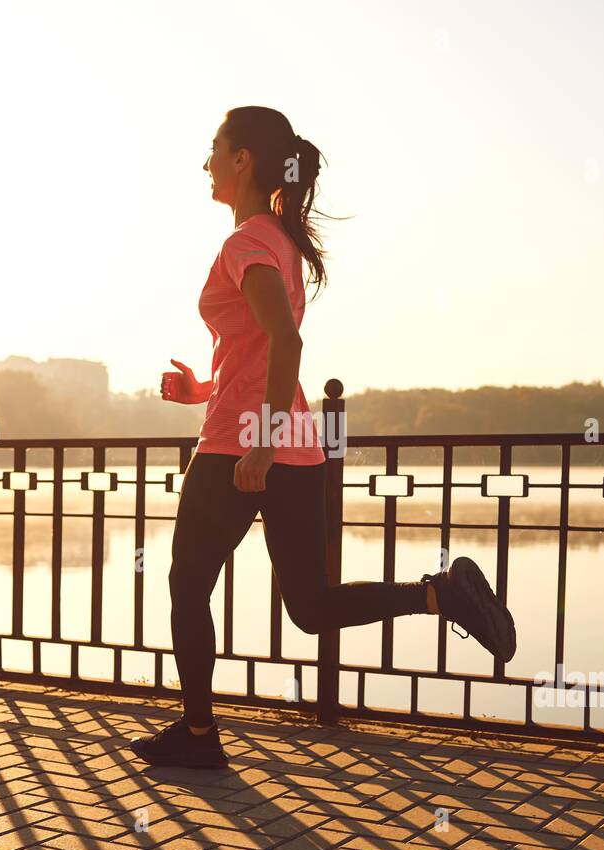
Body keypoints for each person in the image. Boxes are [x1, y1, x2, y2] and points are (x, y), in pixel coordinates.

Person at [128, 106, 515, 770]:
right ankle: (439, 594)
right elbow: (259, 351)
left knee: (188, 586)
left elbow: (287, 341)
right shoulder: (279, 240)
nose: (206, 163)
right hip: (293, 443)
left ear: (242, 159)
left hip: (243, 447)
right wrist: (203, 390)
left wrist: (260, 443)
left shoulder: (246, 241)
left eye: (214, 149)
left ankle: (198, 737)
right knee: (309, 605)